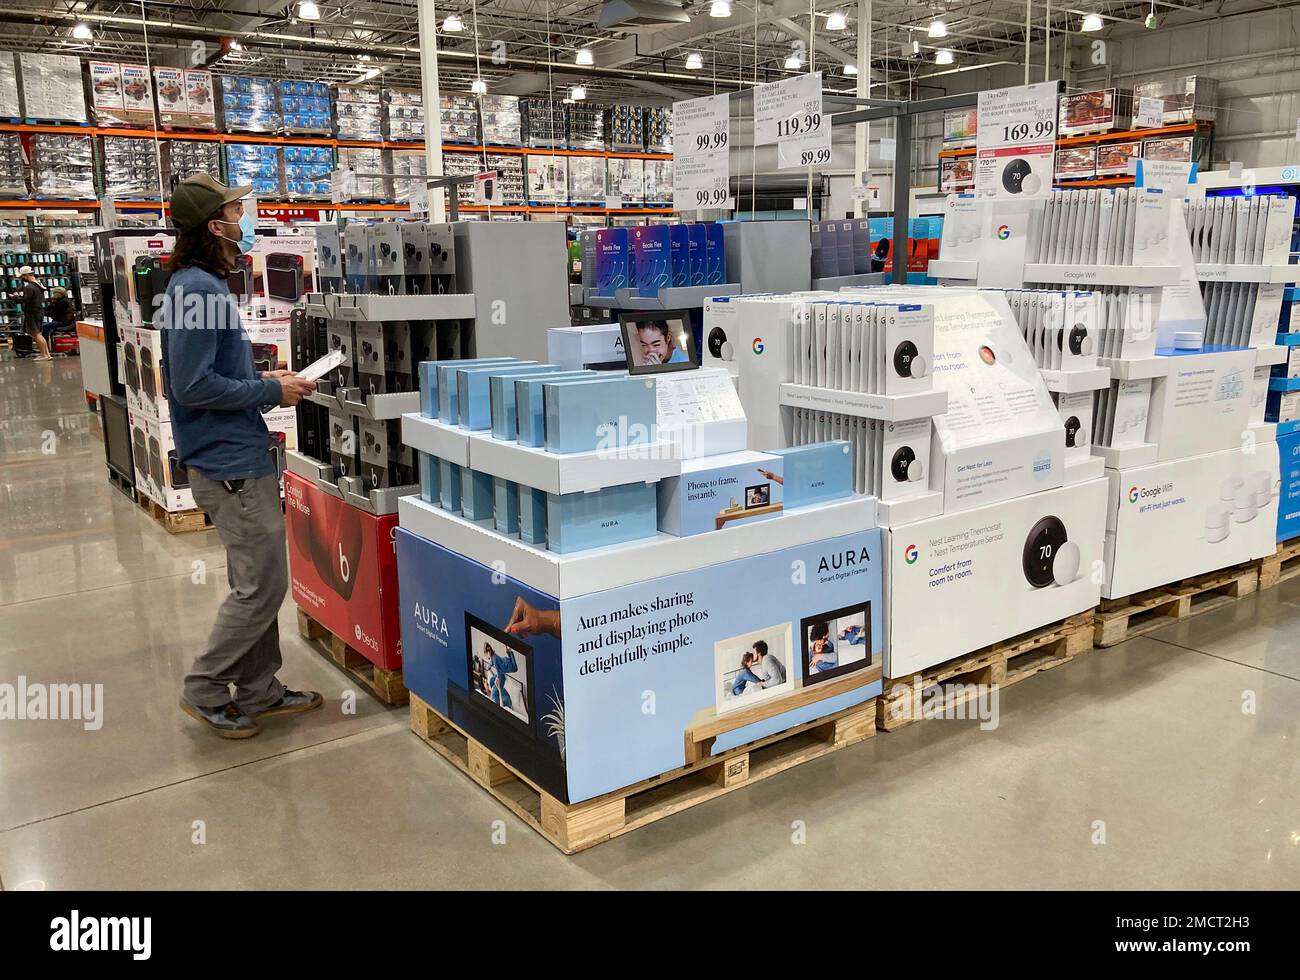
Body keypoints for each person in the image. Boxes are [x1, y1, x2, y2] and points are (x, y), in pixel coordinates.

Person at [161, 173, 320, 740]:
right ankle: (205, 686)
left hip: (233, 456)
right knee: (264, 587)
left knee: (255, 577)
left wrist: (260, 377)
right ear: (214, 225)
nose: (245, 218)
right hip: (229, 465)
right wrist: (270, 392)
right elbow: (191, 385)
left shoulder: (195, 284)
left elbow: (210, 374)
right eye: (237, 210)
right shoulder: (199, 290)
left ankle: (259, 689)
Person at [18, 266, 51, 361]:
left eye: (23, 276)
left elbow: (25, 300)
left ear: (26, 275)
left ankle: (44, 355)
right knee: (39, 333)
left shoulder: (29, 287)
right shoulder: (39, 285)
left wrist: (15, 298)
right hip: (39, 311)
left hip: (32, 313)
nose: (22, 278)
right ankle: (46, 354)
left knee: (36, 334)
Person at [42, 285, 75, 349]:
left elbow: (54, 313)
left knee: (44, 327)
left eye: (54, 293)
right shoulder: (58, 301)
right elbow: (49, 309)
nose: (53, 294)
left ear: (59, 294)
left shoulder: (63, 302)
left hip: (64, 322)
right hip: (60, 320)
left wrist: (43, 313)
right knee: (43, 325)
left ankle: (45, 346)